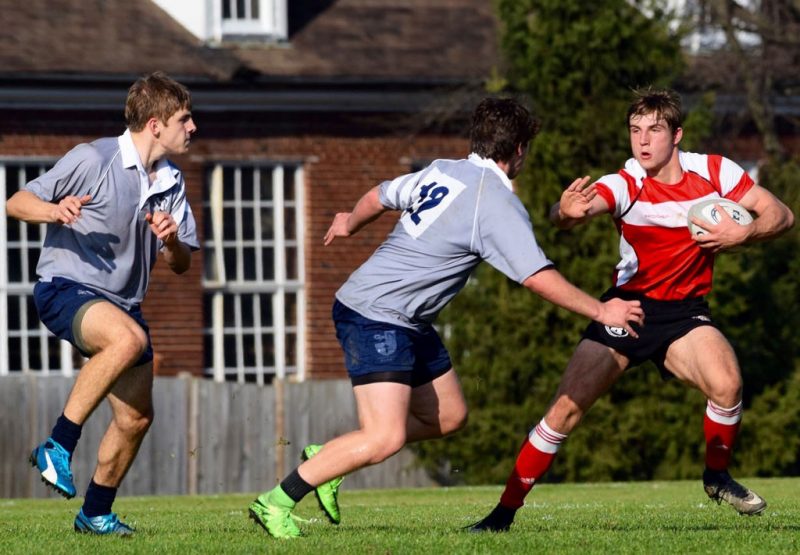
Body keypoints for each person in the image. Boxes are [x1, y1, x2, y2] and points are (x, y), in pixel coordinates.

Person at [247, 97, 645, 539]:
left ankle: (330, 458)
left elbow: (379, 195)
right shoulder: (495, 201)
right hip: (377, 313)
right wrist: (602, 308)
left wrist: (348, 223)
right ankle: (275, 502)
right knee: (385, 438)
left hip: (405, 318)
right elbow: (536, 277)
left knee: (450, 416)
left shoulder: (442, 169)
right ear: (517, 151)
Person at [469, 88, 795, 532]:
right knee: (564, 413)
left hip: (684, 314)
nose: (642, 141)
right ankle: (501, 516)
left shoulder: (714, 171)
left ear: (677, 135)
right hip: (627, 311)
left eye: (654, 130)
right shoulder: (626, 182)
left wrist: (747, 233)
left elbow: (782, 215)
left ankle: (716, 476)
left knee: (728, 384)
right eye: (635, 130)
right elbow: (577, 210)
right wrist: (563, 213)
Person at [6, 71, 199, 536]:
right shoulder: (93, 158)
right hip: (64, 288)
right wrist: (54, 211)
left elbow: (181, 266)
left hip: (122, 305)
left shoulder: (171, 181)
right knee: (128, 339)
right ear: (155, 124)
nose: (192, 128)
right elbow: (16, 201)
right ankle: (57, 445)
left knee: (135, 418)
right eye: (185, 119)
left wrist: (171, 242)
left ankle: (95, 513)